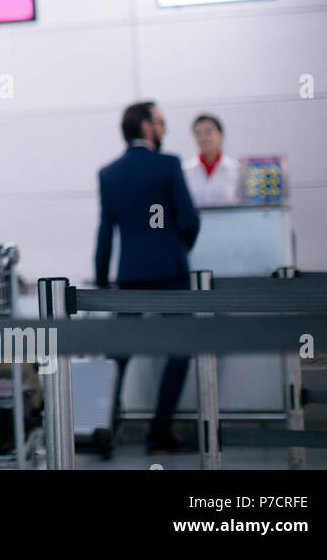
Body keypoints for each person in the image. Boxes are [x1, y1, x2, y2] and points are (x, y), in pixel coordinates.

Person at [94, 100, 201, 454]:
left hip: (130, 274)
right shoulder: (168, 165)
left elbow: (105, 234)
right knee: (180, 347)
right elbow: (189, 219)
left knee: (118, 352)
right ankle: (159, 433)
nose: (164, 128)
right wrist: (177, 248)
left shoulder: (109, 173)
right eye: (161, 122)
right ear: (145, 127)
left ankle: (101, 429)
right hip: (171, 271)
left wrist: (102, 281)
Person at [182, 114, 241, 207]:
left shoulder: (236, 169)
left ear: (221, 135)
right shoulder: (184, 170)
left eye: (208, 132)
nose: (203, 138)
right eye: (198, 134)